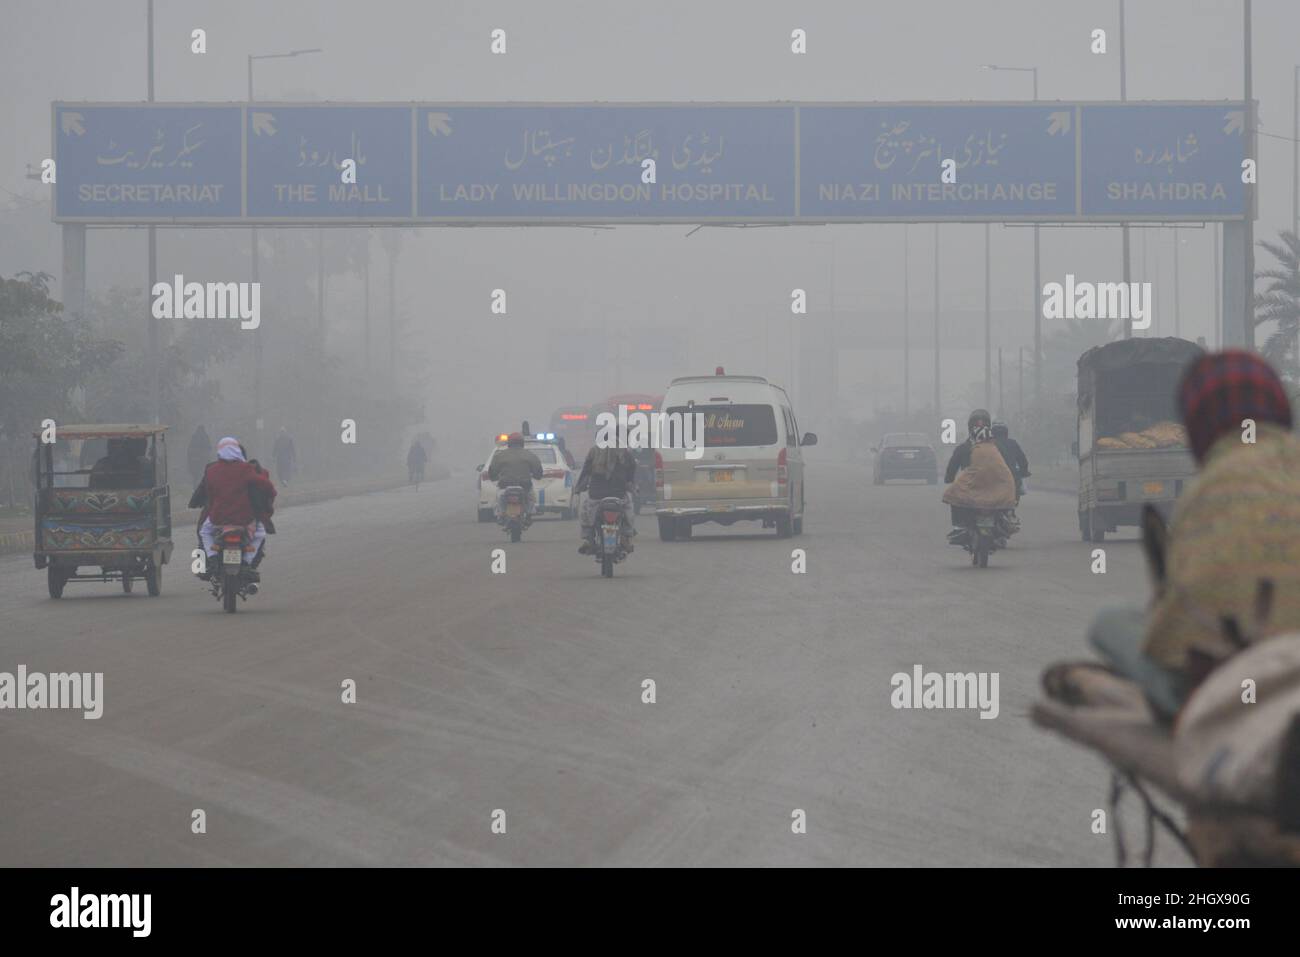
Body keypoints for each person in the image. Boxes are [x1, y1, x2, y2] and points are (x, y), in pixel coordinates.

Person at [1089, 350, 1300, 721]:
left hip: (1230, 680)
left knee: (1109, 621)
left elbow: (1179, 617)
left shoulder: (1207, 489)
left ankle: (1182, 710)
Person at [188, 436, 277, 582]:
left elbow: (206, 491)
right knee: (260, 533)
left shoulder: (212, 470)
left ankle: (211, 559)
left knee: (204, 531)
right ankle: (247, 562)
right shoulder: (247, 469)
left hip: (217, 517)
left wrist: (196, 503)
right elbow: (265, 486)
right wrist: (272, 494)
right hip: (244, 518)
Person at [941, 411, 1017, 542]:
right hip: (996, 487)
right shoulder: (998, 447)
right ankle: (1007, 520)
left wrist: (949, 479)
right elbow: (1009, 465)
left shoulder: (965, 447)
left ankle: (959, 527)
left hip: (972, 489)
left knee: (953, 497)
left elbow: (952, 467)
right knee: (1007, 499)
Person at [574, 442, 638, 555]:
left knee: (585, 512)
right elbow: (631, 472)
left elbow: (585, 472)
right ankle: (625, 536)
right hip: (618, 495)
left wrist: (579, 488)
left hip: (596, 495)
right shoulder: (625, 453)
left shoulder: (593, 451)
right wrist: (629, 483)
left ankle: (588, 539)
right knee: (629, 510)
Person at [487, 433, 543, 519]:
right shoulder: (530, 455)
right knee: (531, 499)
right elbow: (538, 469)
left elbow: (492, 470)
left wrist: (493, 477)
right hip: (525, 485)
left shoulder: (500, 456)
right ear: (522, 443)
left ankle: (500, 513)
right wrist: (537, 476)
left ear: (509, 443)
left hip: (504, 484)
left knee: (498, 498)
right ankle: (529, 513)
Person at [991, 420, 1030, 498]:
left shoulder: (988, 444)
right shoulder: (1013, 443)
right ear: (1006, 432)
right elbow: (1023, 461)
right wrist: (1024, 472)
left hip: (992, 479)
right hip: (1012, 479)